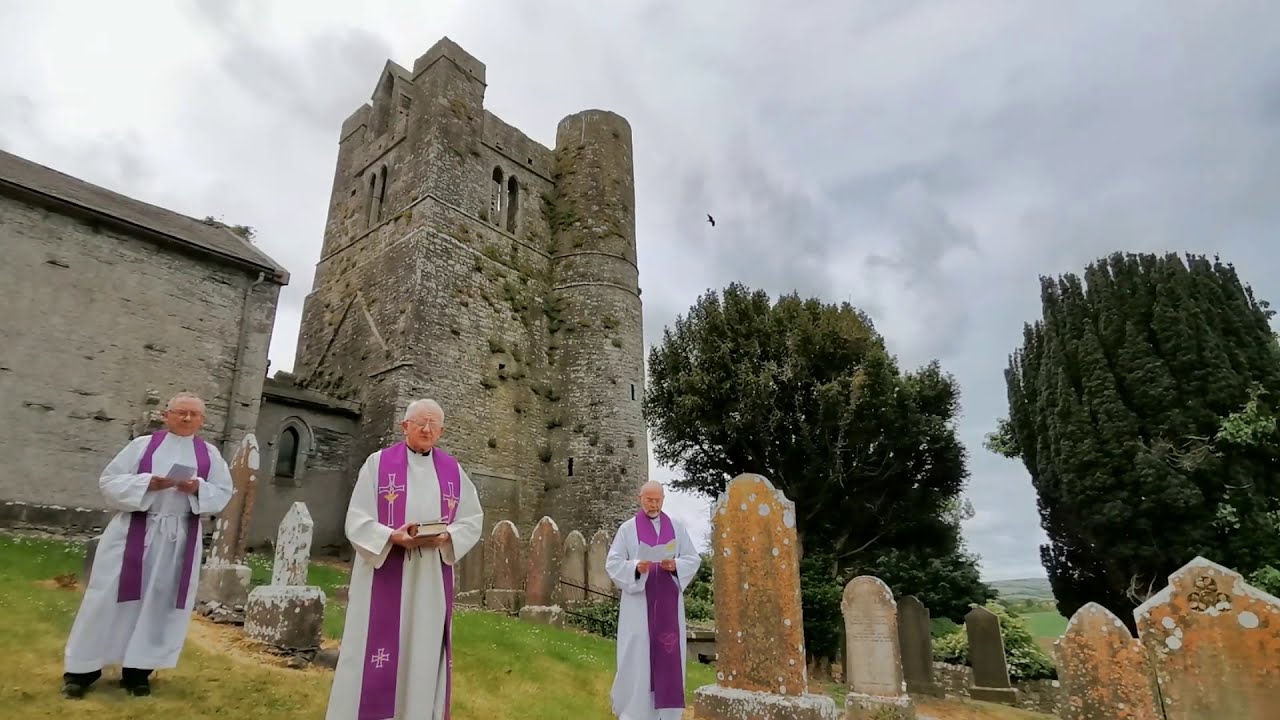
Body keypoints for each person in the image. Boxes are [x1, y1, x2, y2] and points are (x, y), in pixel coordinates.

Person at [61, 392, 234, 698]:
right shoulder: (142, 447)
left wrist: (198, 488)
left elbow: (223, 492)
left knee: (159, 602)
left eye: (194, 414)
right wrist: (147, 484)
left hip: (178, 537)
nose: (187, 418)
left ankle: (138, 670)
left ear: (202, 421)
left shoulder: (209, 455)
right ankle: (81, 670)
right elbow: (110, 481)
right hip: (134, 532)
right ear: (166, 416)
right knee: (108, 597)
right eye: (181, 412)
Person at [325, 398, 484, 720]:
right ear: (405, 426)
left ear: (441, 431)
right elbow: (356, 518)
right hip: (384, 571)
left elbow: (472, 519)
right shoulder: (378, 464)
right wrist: (391, 537)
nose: (427, 430)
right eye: (420, 423)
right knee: (376, 651)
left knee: (422, 648)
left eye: (434, 425)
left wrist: (447, 536)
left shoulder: (453, 471)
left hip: (430, 577)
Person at [606, 481, 703, 720]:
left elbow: (692, 558)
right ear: (640, 499)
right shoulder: (628, 529)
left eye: (658, 499)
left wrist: (676, 565)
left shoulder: (677, 528)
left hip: (668, 606)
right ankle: (635, 711)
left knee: (669, 654)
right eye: (649, 499)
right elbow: (613, 563)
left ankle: (668, 714)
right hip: (639, 607)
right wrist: (636, 567)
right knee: (638, 656)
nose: (654, 504)